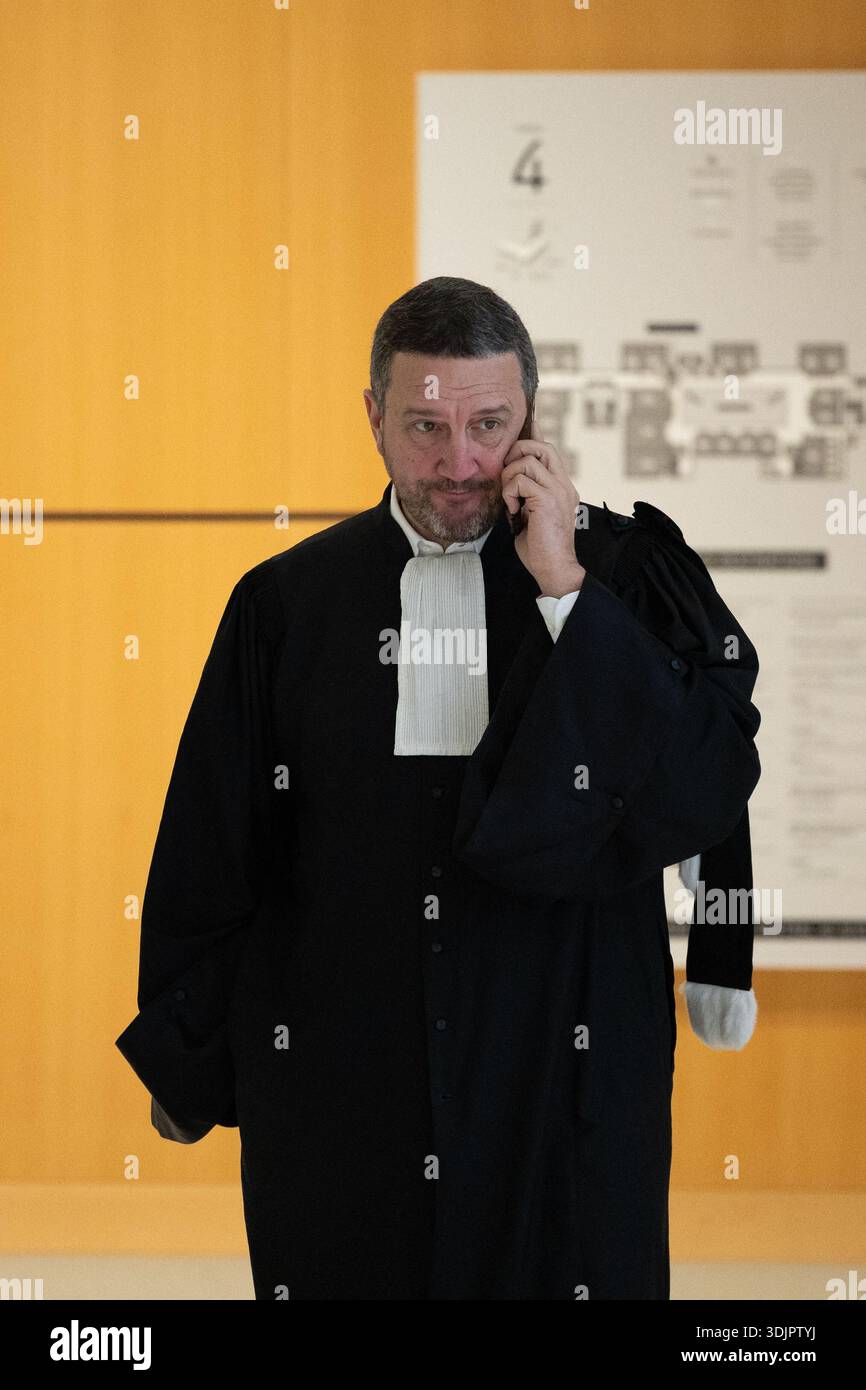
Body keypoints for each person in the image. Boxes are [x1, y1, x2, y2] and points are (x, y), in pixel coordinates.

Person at [116, 275, 761, 1300]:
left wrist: (564, 588)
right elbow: (212, 840)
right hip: (339, 1065)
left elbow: (703, 778)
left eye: (488, 425)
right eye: (423, 425)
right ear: (372, 416)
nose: (458, 463)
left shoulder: (623, 573)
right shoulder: (286, 602)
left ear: (531, 419)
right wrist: (187, 1049)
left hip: (568, 1048)